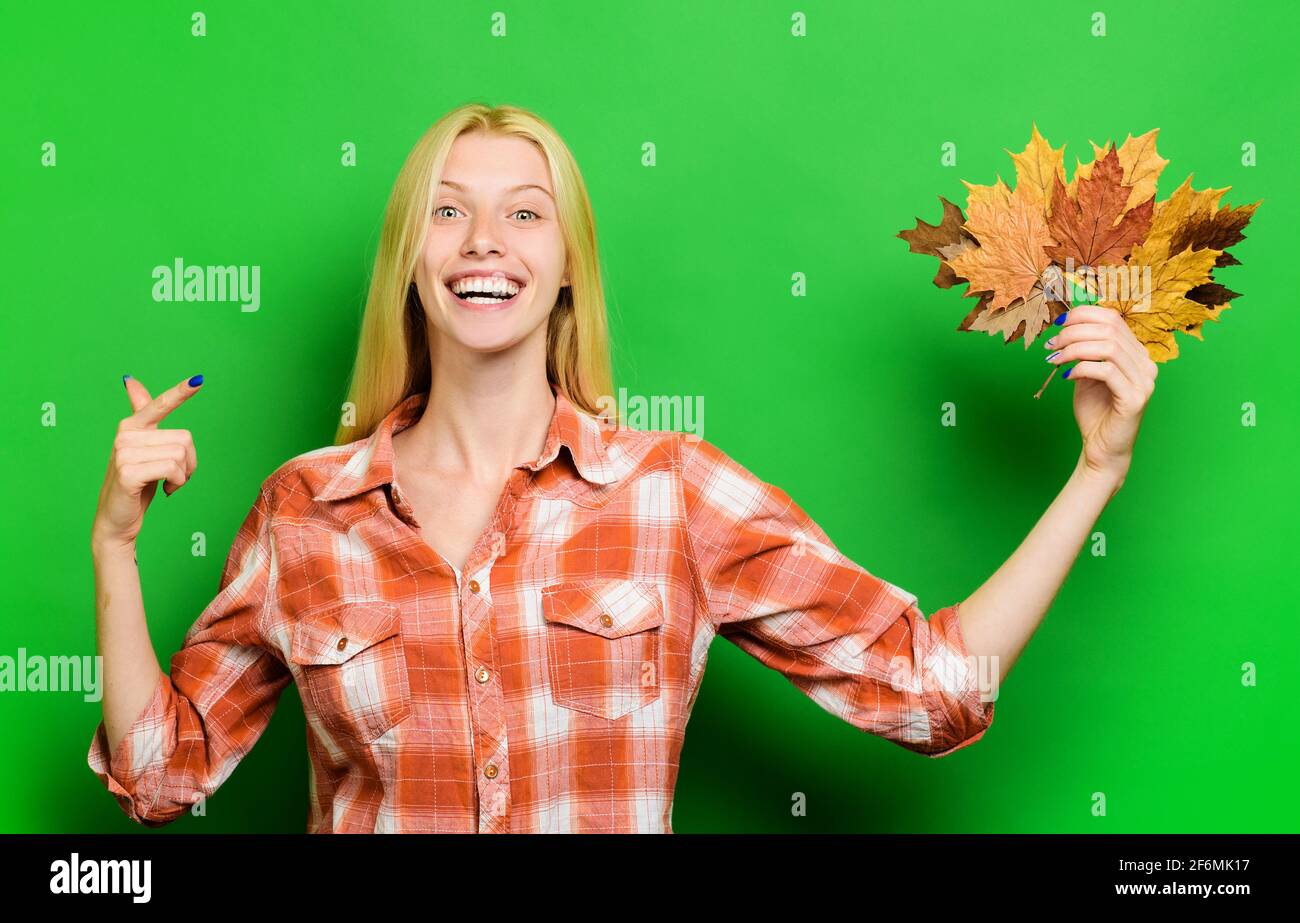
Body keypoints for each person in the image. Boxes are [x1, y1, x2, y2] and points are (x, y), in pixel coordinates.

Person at [87, 103, 1155, 833]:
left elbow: (930, 692)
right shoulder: (305, 508)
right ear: (411, 258)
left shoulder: (670, 493)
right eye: (447, 210)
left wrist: (1093, 472)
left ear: (563, 269)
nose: (482, 241)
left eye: (523, 212)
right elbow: (161, 775)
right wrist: (117, 547)